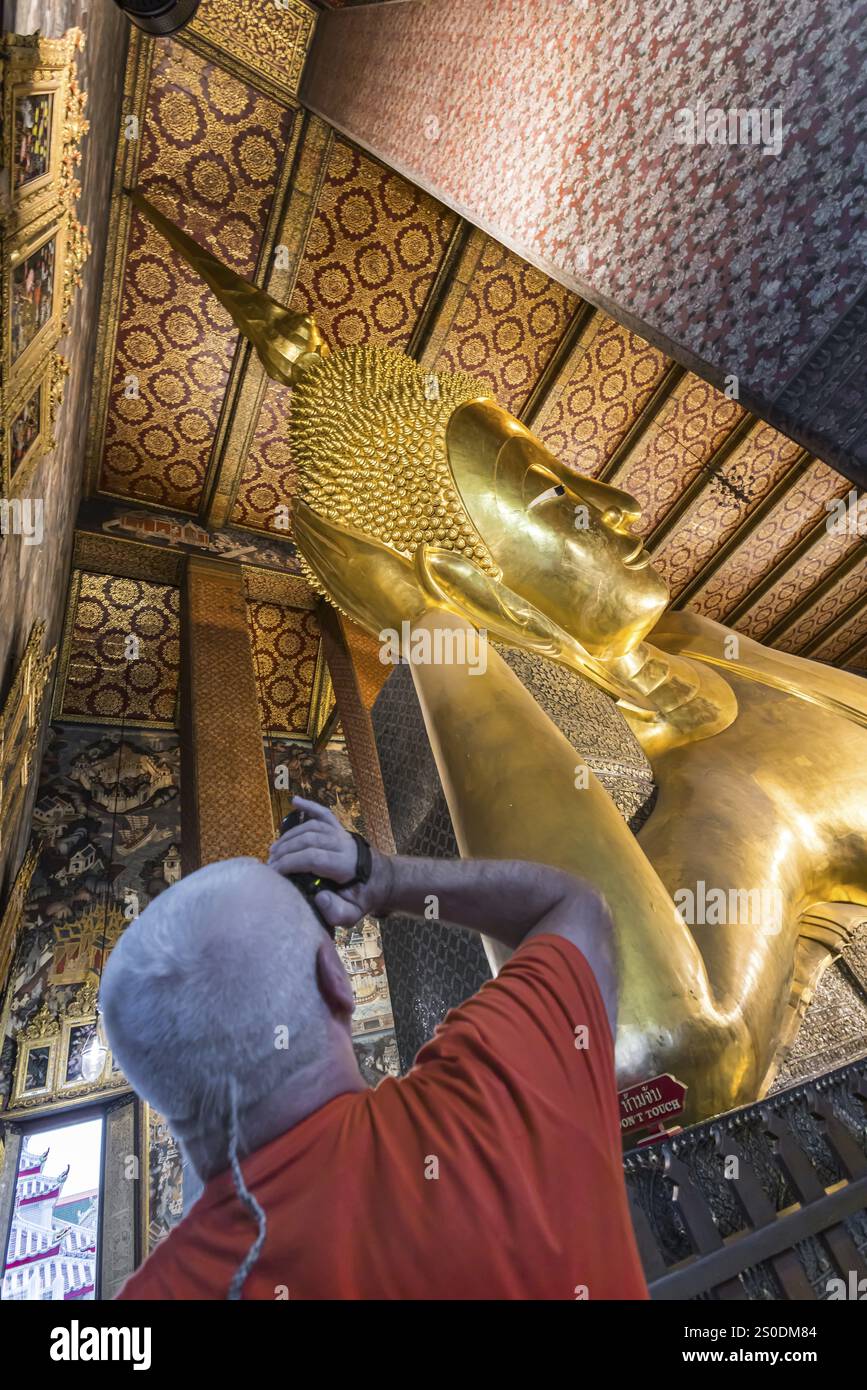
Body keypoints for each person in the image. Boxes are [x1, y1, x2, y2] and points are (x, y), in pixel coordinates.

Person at [103, 797, 648, 1300]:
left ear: (156, 1087)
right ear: (337, 979)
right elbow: (576, 907)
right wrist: (382, 877)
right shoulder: (490, 1105)